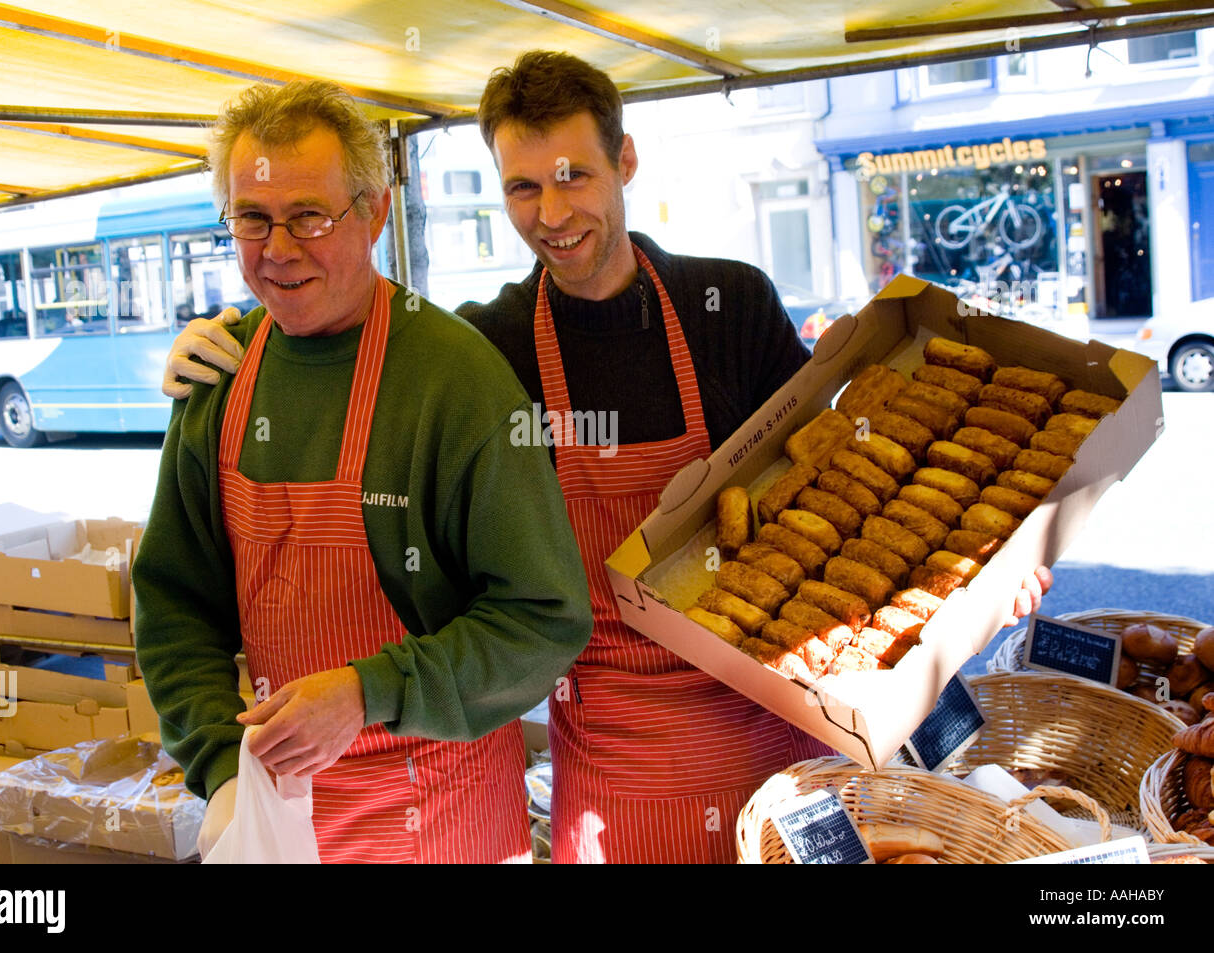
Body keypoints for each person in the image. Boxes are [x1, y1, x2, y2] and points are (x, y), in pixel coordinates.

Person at [164, 53, 1053, 863]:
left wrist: (977, 584)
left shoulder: (728, 306)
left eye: (572, 177)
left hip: (783, 733)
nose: (550, 216)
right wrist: (228, 341)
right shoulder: (492, 348)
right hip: (617, 773)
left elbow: (850, 495)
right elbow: (360, 332)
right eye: (519, 189)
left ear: (625, 161)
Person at [133, 79, 592, 864]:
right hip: (276, 820)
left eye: (309, 215)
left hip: (443, 822)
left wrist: (366, 692)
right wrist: (219, 769)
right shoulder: (219, 379)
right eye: (252, 218)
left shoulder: (456, 379)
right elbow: (175, 603)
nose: (279, 248)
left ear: (375, 213)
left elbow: (543, 618)